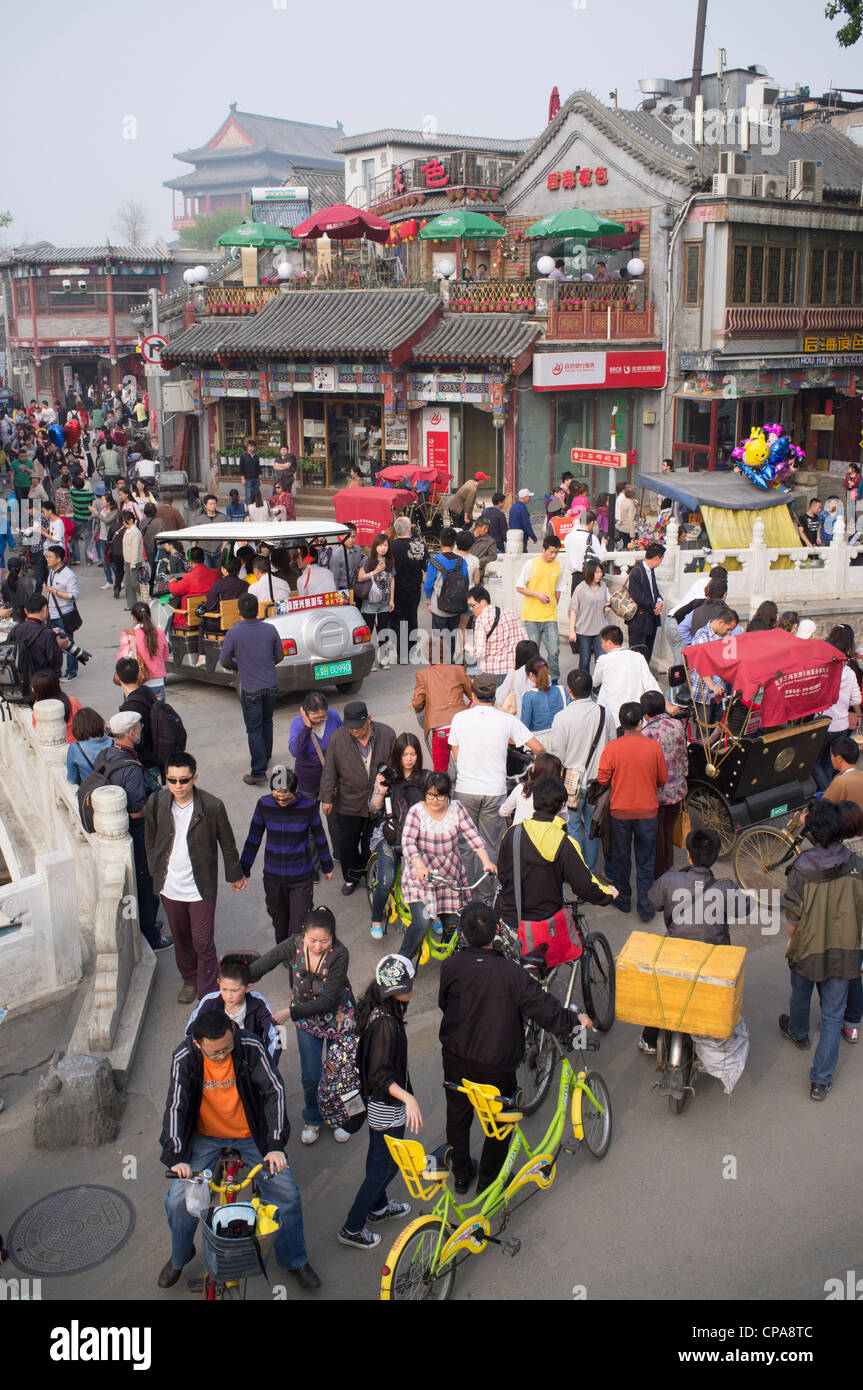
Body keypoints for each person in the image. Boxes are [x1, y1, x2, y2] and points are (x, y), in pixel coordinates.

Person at [158, 1008, 320, 1291]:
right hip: (206, 1137)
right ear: (198, 1044)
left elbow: (275, 1092)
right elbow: (176, 1105)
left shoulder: (249, 1046)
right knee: (177, 1201)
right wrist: (175, 1157)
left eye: (227, 1049)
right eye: (215, 1053)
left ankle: (294, 1260)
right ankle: (180, 1255)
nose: (223, 1056)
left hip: (251, 1136)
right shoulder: (184, 1057)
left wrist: (275, 1145)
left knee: (286, 1195)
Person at [438, 900, 588, 1194]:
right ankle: (490, 1181)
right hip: (496, 1064)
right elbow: (545, 1010)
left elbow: (444, 1003)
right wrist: (575, 1021)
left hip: (454, 1057)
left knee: (457, 1118)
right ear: (496, 931)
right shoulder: (512, 973)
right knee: (500, 1123)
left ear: (463, 936)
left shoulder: (451, 966)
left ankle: (462, 1173)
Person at [145, 751, 247, 1004]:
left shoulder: (212, 806)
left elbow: (227, 843)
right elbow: (150, 839)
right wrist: (155, 870)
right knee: (181, 938)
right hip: (170, 886)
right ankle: (189, 979)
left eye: (184, 780)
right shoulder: (157, 802)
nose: (178, 786)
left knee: (202, 942)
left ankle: (207, 991)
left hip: (200, 887)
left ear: (195, 778)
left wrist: (235, 874)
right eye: (172, 780)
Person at [251, 906, 354, 1145]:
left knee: (338, 1072)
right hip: (306, 1021)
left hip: (338, 1017)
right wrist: (239, 979)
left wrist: (290, 1012)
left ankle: (338, 1117)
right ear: (303, 935)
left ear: (333, 937)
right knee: (311, 1076)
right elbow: (265, 963)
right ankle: (313, 1118)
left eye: (324, 941)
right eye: (312, 940)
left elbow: (328, 1000)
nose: (317, 946)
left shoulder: (341, 954)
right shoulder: (293, 944)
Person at [780, 800, 863, 1100]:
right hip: (844, 949)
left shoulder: (801, 868)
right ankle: (820, 1080)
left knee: (800, 995)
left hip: (807, 947)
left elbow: (793, 915)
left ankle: (799, 1033)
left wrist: (791, 940)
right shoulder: (856, 865)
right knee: (832, 1015)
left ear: (813, 833)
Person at [638, 827, 746, 1053]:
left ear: (688, 854)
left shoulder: (670, 879)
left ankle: (649, 1039)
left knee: (663, 995)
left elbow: (653, 902)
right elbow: (745, 908)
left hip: (675, 954)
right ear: (715, 857)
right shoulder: (725, 887)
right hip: (713, 958)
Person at [338, 954, 418, 1248]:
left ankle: (378, 1207)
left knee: (378, 1157)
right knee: (384, 1168)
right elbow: (380, 1075)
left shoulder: (377, 1007)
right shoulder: (386, 1024)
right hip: (386, 1107)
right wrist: (408, 1098)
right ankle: (352, 1226)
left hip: (375, 1106)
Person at [449, 673, 544, 886]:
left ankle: (465, 893)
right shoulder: (507, 720)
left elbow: (456, 753)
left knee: (465, 845)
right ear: (494, 696)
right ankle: (487, 897)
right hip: (495, 790)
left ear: (472, 696)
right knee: (490, 845)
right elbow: (539, 749)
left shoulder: (459, 718)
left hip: (466, 789)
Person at [399, 771, 496, 958]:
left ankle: (453, 962)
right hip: (422, 878)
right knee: (422, 923)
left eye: (441, 795)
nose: (435, 800)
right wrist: (419, 865)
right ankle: (403, 960)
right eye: (431, 795)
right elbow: (408, 842)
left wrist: (486, 861)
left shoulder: (457, 808)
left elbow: (473, 835)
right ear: (425, 793)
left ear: (448, 795)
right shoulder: (416, 812)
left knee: (453, 924)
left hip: (450, 876)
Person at [241, 766, 333, 943]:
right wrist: (244, 869)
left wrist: (327, 865)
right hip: (273, 876)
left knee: (298, 924)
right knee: (279, 921)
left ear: (296, 790)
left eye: (286, 798)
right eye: (277, 797)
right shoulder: (264, 804)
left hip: (301, 876)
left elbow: (319, 836)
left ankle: (295, 960)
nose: (281, 802)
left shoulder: (308, 805)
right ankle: (283, 952)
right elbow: (254, 838)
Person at [102, 711, 168, 951]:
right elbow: (136, 810)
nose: (141, 728)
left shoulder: (109, 753)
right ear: (131, 733)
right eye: (139, 726)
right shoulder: (130, 768)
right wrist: (159, 804)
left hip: (120, 831)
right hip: (138, 833)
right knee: (147, 882)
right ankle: (152, 936)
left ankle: (149, 926)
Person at [596, 701, 668, 921]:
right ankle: (646, 908)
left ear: (622, 722)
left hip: (620, 812)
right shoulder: (653, 747)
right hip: (647, 812)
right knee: (645, 862)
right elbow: (662, 779)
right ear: (640, 722)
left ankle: (624, 899)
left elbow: (602, 779)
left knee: (621, 859)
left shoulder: (613, 748)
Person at [319, 701, 396, 896]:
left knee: (371, 841)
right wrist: (326, 797)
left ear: (368, 719)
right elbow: (329, 770)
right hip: (348, 802)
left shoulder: (387, 734)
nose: (354, 732)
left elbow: (395, 766)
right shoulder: (337, 739)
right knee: (347, 843)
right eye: (350, 728)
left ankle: (369, 873)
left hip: (377, 801)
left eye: (358, 728)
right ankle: (351, 877)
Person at [218, 592, 285, 786]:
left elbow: (224, 660)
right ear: (257, 610)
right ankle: (266, 756)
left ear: (238, 611)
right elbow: (280, 655)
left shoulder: (234, 632)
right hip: (271, 684)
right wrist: (267, 663)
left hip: (251, 688)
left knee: (254, 729)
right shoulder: (270, 629)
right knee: (267, 721)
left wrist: (238, 666)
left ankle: (258, 771)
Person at [550, 669, 612, 870]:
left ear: (569, 690)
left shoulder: (562, 717)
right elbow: (611, 745)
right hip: (599, 782)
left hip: (571, 781)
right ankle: (590, 871)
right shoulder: (605, 713)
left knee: (573, 827)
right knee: (593, 828)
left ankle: (575, 870)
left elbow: (557, 754)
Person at [368, 733, 428, 940]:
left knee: (431, 877)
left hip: (419, 836)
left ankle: (435, 915)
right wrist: (380, 790)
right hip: (391, 834)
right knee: (387, 880)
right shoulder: (389, 778)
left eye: (413, 754)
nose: (410, 759)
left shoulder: (426, 778)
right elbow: (374, 809)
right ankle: (376, 917)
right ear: (398, 755)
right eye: (405, 755)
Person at [186, 957, 280, 1063]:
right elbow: (191, 1032)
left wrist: (267, 1065)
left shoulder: (259, 1003)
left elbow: (277, 1036)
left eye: (234, 991)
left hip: (249, 1058)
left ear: (249, 988)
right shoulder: (209, 1002)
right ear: (218, 983)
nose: (228, 995)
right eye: (224, 989)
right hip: (217, 1058)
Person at [640, 689, 688, 877]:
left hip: (657, 795)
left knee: (657, 836)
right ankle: (668, 865)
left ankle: (660, 873)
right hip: (677, 789)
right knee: (668, 830)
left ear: (645, 713)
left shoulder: (646, 733)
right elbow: (683, 754)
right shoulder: (676, 724)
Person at [813, 632, 863, 792]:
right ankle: (828, 791)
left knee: (814, 761)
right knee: (830, 761)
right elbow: (856, 699)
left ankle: (826, 791)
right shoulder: (849, 673)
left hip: (822, 724)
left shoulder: (821, 673)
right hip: (841, 726)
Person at [410, 648, 472, 772]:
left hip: (440, 730)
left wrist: (415, 704)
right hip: (461, 726)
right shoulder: (459, 670)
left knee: (439, 771)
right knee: (467, 766)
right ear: (446, 655)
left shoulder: (423, 674)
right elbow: (472, 694)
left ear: (428, 658)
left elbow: (417, 703)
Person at [592, 624, 660, 727]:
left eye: (602, 643)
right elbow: (651, 684)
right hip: (636, 715)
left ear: (609, 643)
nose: (601, 646)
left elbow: (595, 682)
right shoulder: (638, 657)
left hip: (613, 717)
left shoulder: (604, 660)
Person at [517, 535, 563, 683]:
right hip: (532, 616)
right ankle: (533, 679)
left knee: (554, 651)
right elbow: (519, 587)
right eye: (551, 552)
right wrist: (536, 595)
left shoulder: (558, 565)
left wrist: (553, 606)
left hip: (550, 616)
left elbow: (558, 590)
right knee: (533, 654)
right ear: (543, 549)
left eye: (556, 552)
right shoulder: (531, 564)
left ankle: (553, 679)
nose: (553, 555)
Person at [288, 692, 343, 805]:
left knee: (335, 819)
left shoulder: (333, 716)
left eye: (322, 717)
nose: (319, 720)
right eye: (315, 717)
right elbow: (294, 751)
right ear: (305, 713)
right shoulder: (297, 724)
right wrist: (307, 728)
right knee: (309, 818)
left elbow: (343, 740)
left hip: (331, 778)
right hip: (308, 781)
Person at [423, 527, 469, 658]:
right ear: (455, 542)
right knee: (452, 638)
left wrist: (428, 601)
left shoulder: (434, 561)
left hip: (439, 607)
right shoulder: (461, 561)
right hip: (456, 607)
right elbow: (466, 582)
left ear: (441, 541)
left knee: (438, 639)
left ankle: (439, 664)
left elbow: (428, 585)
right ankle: (451, 664)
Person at [468, 586, 526, 687]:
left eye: (472, 605)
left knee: (469, 671)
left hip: (491, 672)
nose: (471, 609)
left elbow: (480, 653)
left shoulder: (481, 620)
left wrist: (468, 647)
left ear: (483, 602)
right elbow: (524, 640)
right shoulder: (510, 612)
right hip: (512, 671)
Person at [194, 556, 247, 663]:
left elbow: (210, 605)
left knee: (202, 623)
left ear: (223, 569)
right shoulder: (246, 585)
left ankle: (202, 655)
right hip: (240, 622)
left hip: (219, 624)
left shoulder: (219, 584)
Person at [389, 517, 428, 663]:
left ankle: (400, 652)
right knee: (411, 618)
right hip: (414, 588)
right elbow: (426, 569)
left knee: (397, 620)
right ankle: (411, 650)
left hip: (395, 588)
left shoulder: (390, 546)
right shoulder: (420, 545)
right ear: (409, 529)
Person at [8, 592, 67, 685]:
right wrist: (59, 646)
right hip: (41, 685)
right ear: (44, 609)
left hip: (20, 683)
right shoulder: (47, 634)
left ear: (26, 611)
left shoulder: (15, 629)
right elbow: (56, 665)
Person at [43, 544, 81, 679]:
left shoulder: (69, 575)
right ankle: (57, 672)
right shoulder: (51, 571)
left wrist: (56, 592)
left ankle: (72, 672)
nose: (47, 559)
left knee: (68, 644)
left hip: (64, 615)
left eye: (50, 557)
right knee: (53, 645)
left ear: (58, 559)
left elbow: (73, 596)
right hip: (51, 615)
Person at [118, 602, 170, 700]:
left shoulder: (128, 635)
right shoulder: (159, 632)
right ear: (150, 615)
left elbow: (123, 661)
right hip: (157, 683)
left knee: (134, 714)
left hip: (134, 686)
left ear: (133, 618)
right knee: (157, 714)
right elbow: (165, 657)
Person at [498, 752, 564, 825]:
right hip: (546, 834)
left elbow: (503, 812)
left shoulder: (522, 789)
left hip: (520, 834)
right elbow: (565, 820)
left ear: (534, 769)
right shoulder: (559, 795)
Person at [569, 559, 610, 673]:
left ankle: (598, 687)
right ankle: (584, 686)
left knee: (601, 660)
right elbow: (573, 610)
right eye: (596, 572)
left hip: (600, 630)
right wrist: (572, 631)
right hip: (584, 630)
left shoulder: (603, 586)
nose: (599, 575)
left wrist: (607, 607)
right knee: (584, 661)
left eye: (600, 572)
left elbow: (604, 604)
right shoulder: (581, 588)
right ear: (589, 572)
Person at [626, 542, 664, 663]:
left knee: (647, 655)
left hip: (650, 619)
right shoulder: (637, 571)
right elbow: (637, 596)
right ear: (657, 558)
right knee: (637, 656)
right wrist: (653, 605)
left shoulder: (651, 571)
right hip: (639, 621)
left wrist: (659, 601)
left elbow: (655, 590)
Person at [494, 638, 540, 719]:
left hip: (518, 720)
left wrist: (498, 690)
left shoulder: (513, 674)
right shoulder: (545, 674)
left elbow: (500, 699)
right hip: (539, 719)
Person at [30, 670, 81, 742]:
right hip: (78, 743)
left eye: (33, 687)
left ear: (39, 690)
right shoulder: (72, 701)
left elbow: (37, 729)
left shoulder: (40, 711)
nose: (31, 689)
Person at [564, 510, 608, 593]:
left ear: (580, 521)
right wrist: (603, 545)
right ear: (592, 523)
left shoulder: (568, 537)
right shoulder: (592, 538)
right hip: (589, 577)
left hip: (575, 578)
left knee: (576, 604)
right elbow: (601, 557)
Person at [66, 706, 111, 785]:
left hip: (91, 792)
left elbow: (72, 779)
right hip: (115, 790)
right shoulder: (114, 743)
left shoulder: (75, 748)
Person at [520, 656, 564, 735]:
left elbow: (525, 725)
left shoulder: (528, 696)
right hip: (559, 735)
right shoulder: (561, 690)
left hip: (538, 739)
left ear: (531, 675)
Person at [823, 737, 863, 815]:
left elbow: (824, 810)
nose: (831, 758)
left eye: (831, 755)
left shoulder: (840, 781)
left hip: (851, 825)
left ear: (839, 759)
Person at [120, 509, 145, 611]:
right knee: (128, 583)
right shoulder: (127, 531)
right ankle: (131, 604)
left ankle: (145, 598)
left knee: (135, 583)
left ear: (130, 520)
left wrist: (133, 563)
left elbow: (135, 549)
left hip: (134, 562)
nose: (123, 522)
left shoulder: (135, 532)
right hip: (127, 561)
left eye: (124, 520)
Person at [197, 495, 227, 569]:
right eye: (210, 504)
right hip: (205, 552)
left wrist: (224, 545)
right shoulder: (200, 519)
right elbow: (195, 535)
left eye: (214, 503)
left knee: (217, 572)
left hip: (218, 551)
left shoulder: (222, 517)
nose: (213, 506)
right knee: (207, 572)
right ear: (205, 505)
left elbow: (227, 532)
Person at [239, 438, 262, 504]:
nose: (251, 448)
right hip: (248, 479)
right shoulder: (243, 456)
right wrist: (242, 479)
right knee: (248, 496)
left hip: (256, 479)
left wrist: (260, 479)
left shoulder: (256, 457)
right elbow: (241, 468)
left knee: (256, 495)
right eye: (249, 446)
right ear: (247, 447)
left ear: (254, 447)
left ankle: (256, 509)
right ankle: (248, 511)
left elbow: (258, 468)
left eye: (252, 446)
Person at [615, 484, 637, 548]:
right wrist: (632, 534)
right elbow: (631, 519)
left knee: (624, 546)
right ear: (633, 494)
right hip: (629, 529)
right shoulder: (631, 504)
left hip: (622, 528)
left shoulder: (623, 501)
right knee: (630, 548)